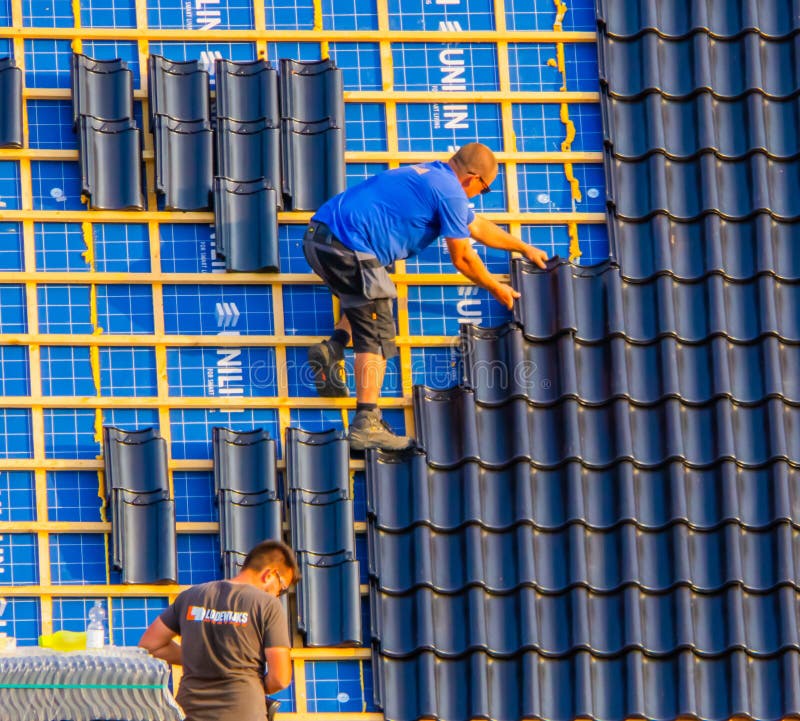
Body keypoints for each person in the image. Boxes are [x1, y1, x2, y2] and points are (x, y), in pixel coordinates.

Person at [304, 142, 549, 451]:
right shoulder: (449, 192)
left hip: (319, 238)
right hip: (347, 247)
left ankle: (334, 347)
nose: (477, 195)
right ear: (473, 178)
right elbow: (462, 258)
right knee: (378, 332)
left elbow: (476, 225)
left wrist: (523, 247)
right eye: (483, 190)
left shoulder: (432, 174)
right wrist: (496, 288)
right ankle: (365, 423)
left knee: (371, 293)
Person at [138, 540, 299, 721]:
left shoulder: (190, 596)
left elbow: (150, 645)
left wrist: (201, 658)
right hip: (243, 712)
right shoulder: (267, 604)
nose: (278, 594)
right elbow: (280, 678)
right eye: (282, 587)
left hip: (189, 712)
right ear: (270, 574)